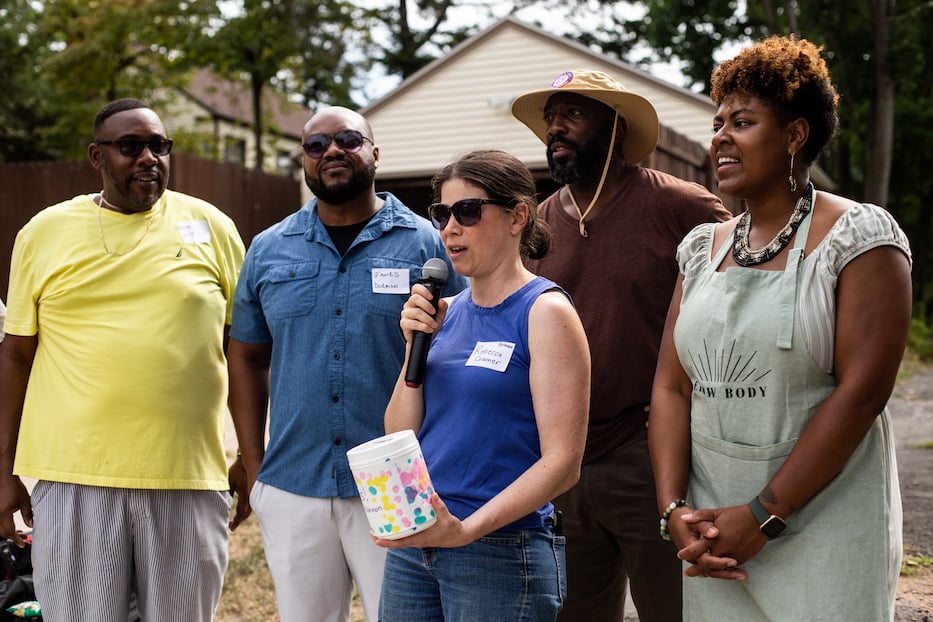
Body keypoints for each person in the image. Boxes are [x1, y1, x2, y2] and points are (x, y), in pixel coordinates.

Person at [648, 35, 912, 621]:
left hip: (825, 526)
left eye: (741, 122)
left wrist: (765, 514)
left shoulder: (859, 238)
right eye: (718, 122)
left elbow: (863, 392)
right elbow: (671, 387)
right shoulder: (700, 250)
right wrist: (674, 511)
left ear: (795, 135)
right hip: (714, 534)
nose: (720, 136)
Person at [0, 98, 245, 621]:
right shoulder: (43, 232)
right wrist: (4, 469)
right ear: (96, 156)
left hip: (187, 477)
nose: (148, 159)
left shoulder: (213, 227)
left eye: (159, 146)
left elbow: (244, 350)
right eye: (130, 147)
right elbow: (16, 353)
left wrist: (251, 452)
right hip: (75, 479)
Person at [226, 106, 466, 622]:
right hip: (293, 479)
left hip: (400, 477)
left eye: (348, 139)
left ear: (374, 152)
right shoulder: (268, 249)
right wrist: (253, 462)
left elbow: (463, 346)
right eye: (316, 145)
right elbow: (245, 357)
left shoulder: (428, 243)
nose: (331, 151)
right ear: (304, 162)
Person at [510, 70, 731, 620]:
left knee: (674, 608)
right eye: (550, 118)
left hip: (648, 454)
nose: (556, 128)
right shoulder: (537, 223)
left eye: (574, 115)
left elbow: (739, 299)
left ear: (616, 126)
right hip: (562, 460)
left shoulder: (682, 207)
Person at [376, 149, 591, 621]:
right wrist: (414, 343)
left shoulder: (545, 313)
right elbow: (400, 435)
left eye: (467, 211)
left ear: (518, 216)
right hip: (419, 543)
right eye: (441, 214)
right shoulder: (443, 312)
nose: (450, 228)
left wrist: (466, 529)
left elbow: (564, 463)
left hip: (499, 550)